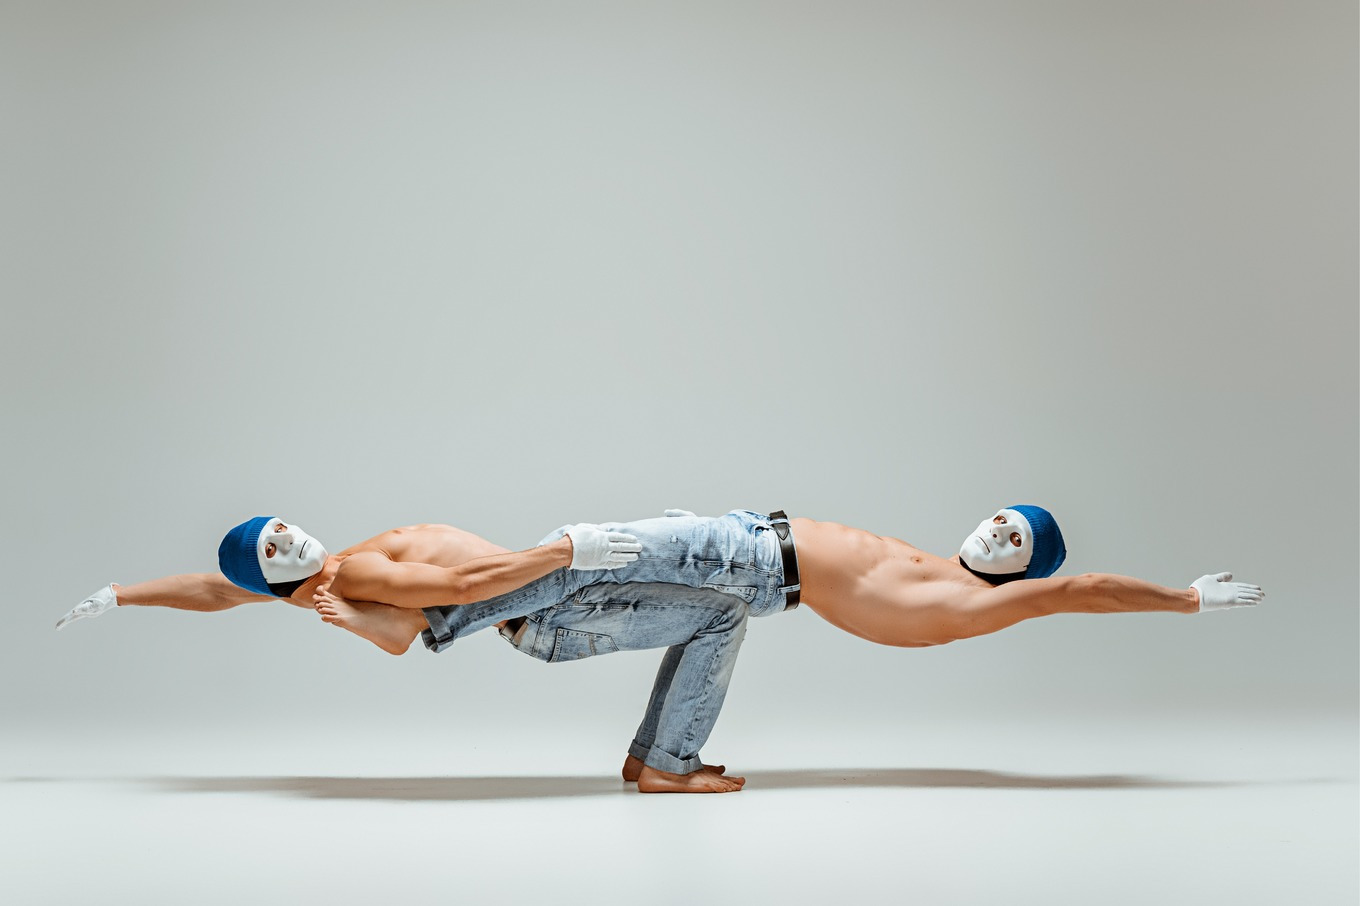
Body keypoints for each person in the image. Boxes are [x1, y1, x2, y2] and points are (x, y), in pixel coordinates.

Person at [56, 505, 1264, 792]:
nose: (997, 528)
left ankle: (652, 757)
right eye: (1001, 515)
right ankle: (663, 761)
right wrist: (121, 592)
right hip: (736, 561)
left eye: (1018, 537)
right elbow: (224, 589)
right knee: (705, 606)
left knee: (683, 599)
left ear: (1022, 568)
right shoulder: (936, 563)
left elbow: (1081, 590)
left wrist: (1184, 603)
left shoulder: (976, 599)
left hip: (735, 562)